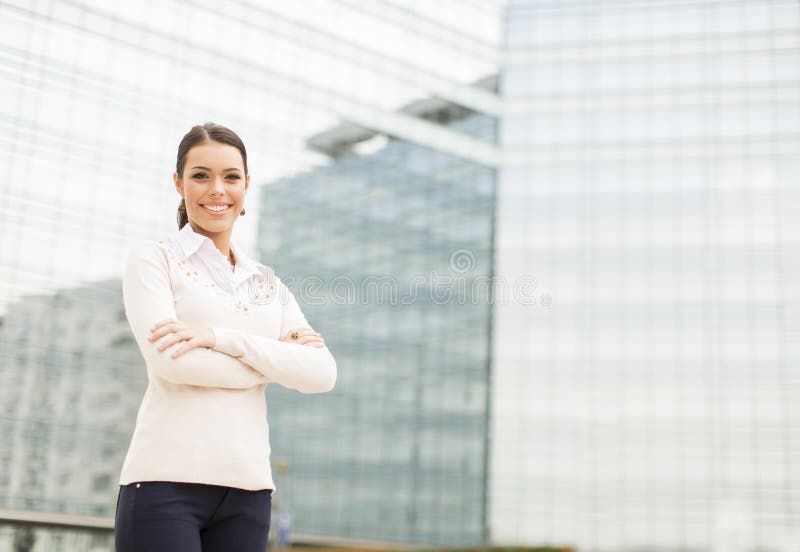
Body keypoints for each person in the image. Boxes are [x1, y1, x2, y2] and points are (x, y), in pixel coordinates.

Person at [114, 122, 337, 552]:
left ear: (246, 185)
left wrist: (219, 338)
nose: (217, 189)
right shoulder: (155, 259)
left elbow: (321, 373)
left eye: (231, 176)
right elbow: (173, 362)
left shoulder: (267, 284)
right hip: (164, 485)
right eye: (200, 175)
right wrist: (271, 365)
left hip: (249, 493)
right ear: (178, 182)